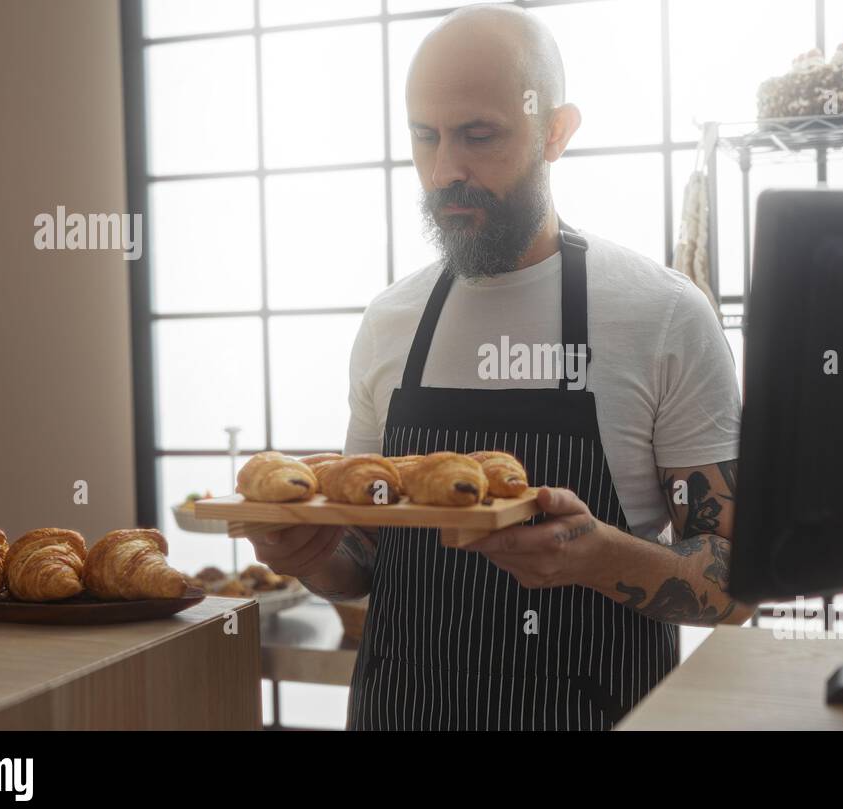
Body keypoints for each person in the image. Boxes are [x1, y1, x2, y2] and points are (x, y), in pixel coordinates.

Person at [251, 3, 747, 730]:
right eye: (426, 136)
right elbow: (364, 556)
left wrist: (596, 555)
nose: (446, 170)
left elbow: (738, 579)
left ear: (556, 132)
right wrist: (308, 555)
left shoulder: (662, 315)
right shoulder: (393, 320)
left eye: (479, 135)